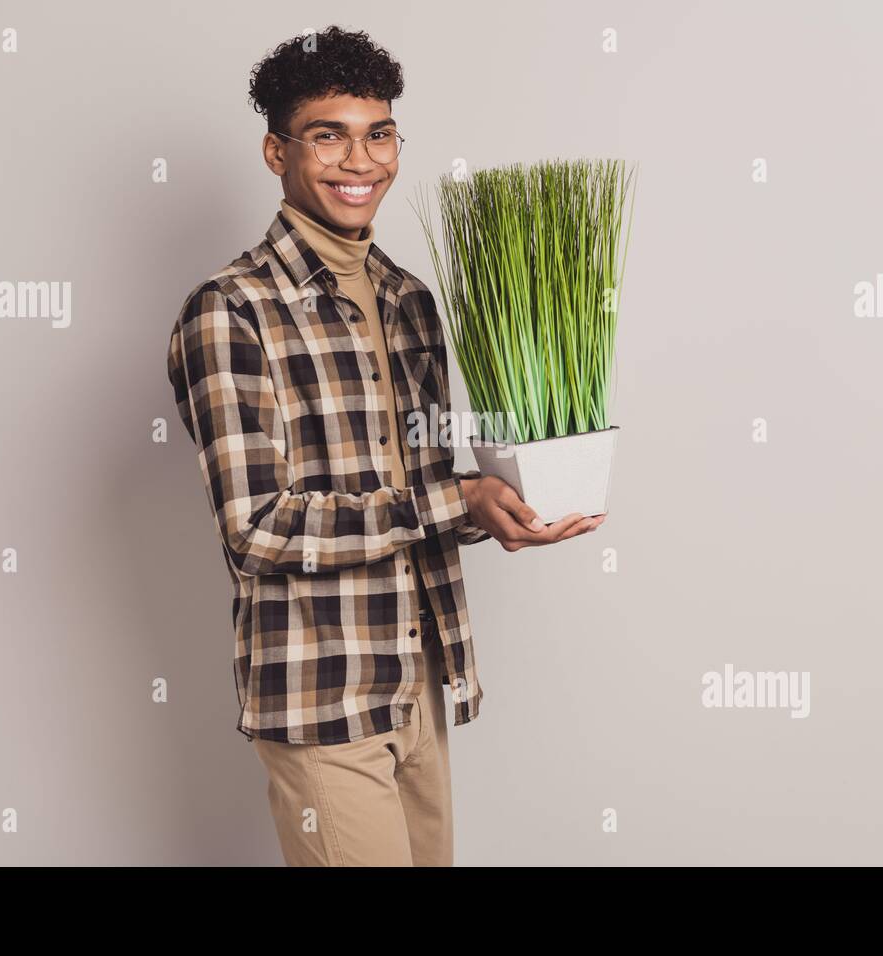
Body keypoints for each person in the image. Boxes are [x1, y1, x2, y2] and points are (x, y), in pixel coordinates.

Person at [166, 25, 603, 866]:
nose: (359, 160)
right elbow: (259, 528)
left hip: (421, 687)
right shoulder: (230, 310)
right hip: (323, 698)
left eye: (379, 133)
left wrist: (500, 505)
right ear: (276, 150)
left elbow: (421, 484)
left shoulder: (409, 299)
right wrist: (455, 501)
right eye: (328, 135)